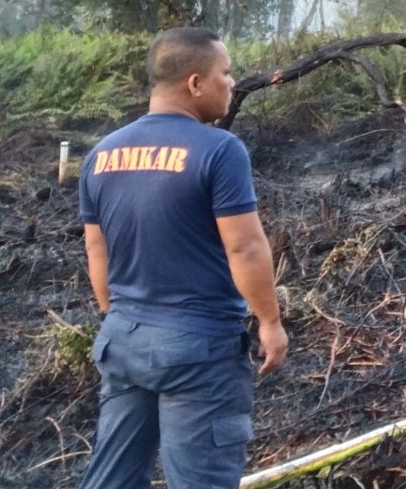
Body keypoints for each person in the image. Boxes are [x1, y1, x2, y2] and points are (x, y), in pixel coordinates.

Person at [77, 26, 289, 489]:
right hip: (199, 350)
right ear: (195, 83)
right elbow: (245, 246)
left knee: (112, 477)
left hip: (123, 341)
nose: (232, 84)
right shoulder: (219, 150)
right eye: (225, 74)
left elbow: (98, 250)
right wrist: (270, 322)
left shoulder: (101, 154)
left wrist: (121, 318)